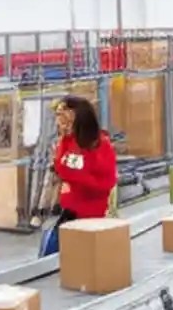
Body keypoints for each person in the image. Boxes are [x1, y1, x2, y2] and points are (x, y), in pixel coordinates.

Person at [40, 95, 117, 256]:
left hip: (90, 215)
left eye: (63, 117)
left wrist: (74, 177)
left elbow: (106, 182)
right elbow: (62, 168)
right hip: (68, 210)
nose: (59, 123)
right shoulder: (66, 141)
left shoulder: (100, 145)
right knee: (48, 253)